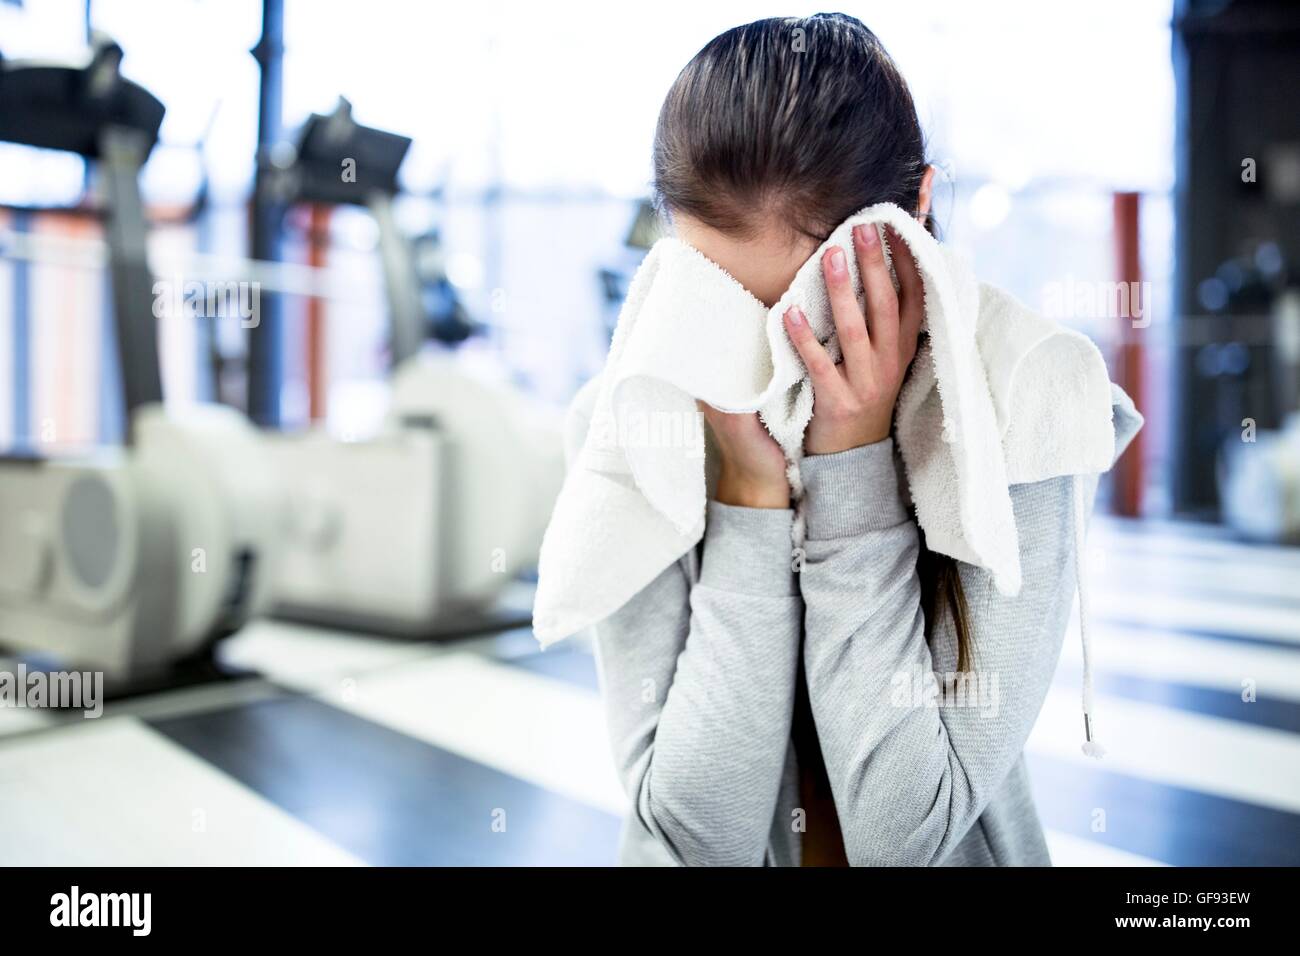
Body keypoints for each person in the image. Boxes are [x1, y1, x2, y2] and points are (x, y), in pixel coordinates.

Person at [589, 13, 1141, 866]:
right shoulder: (639, 414)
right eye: (721, 306)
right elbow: (698, 841)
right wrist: (748, 500)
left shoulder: (1022, 402)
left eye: (805, 310)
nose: (768, 361)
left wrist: (852, 466)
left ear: (915, 210)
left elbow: (904, 838)